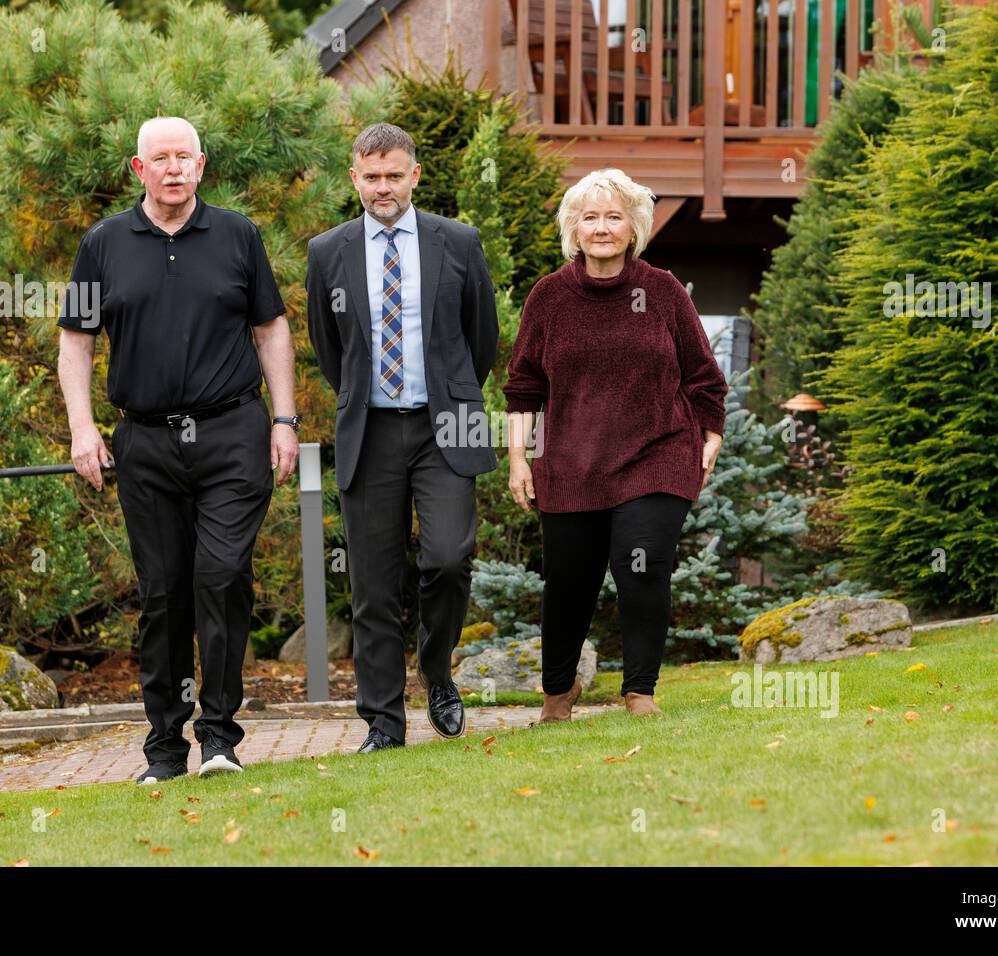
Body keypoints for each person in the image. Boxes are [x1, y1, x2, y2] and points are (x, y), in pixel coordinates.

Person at [57, 116, 300, 784]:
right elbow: (76, 342)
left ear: (201, 164)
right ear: (139, 170)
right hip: (145, 441)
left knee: (219, 579)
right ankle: (164, 750)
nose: (172, 169)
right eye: (158, 159)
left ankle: (219, 738)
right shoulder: (103, 244)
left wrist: (284, 419)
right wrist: (83, 427)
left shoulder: (237, 235)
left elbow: (271, 330)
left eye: (183, 157)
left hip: (231, 434)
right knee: (164, 594)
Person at [503, 168, 727, 721]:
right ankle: (558, 693)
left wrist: (712, 435)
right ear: (573, 229)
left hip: (656, 455)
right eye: (590, 217)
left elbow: (704, 376)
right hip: (571, 464)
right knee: (568, 583)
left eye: (614, 217)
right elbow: (523, 386)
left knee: (644, 566)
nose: (601, 228)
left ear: (634, 229)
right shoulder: (549, 297)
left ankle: (639, 691)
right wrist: (517, 459)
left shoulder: (663, 291)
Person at [305, 123, 498, 752]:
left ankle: (437, 671)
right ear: (354, 177)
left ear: (414, 175)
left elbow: (482, 339)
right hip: (372, 426)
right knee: (373, 583)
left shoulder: (459, 242)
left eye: (394, 175)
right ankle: (383, 724)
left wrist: (453, 392)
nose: (382, 187)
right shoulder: (327, 252)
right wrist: (370, 396)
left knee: (447, 557)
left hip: (450, 419)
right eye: (371, 176)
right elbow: (331, 352)